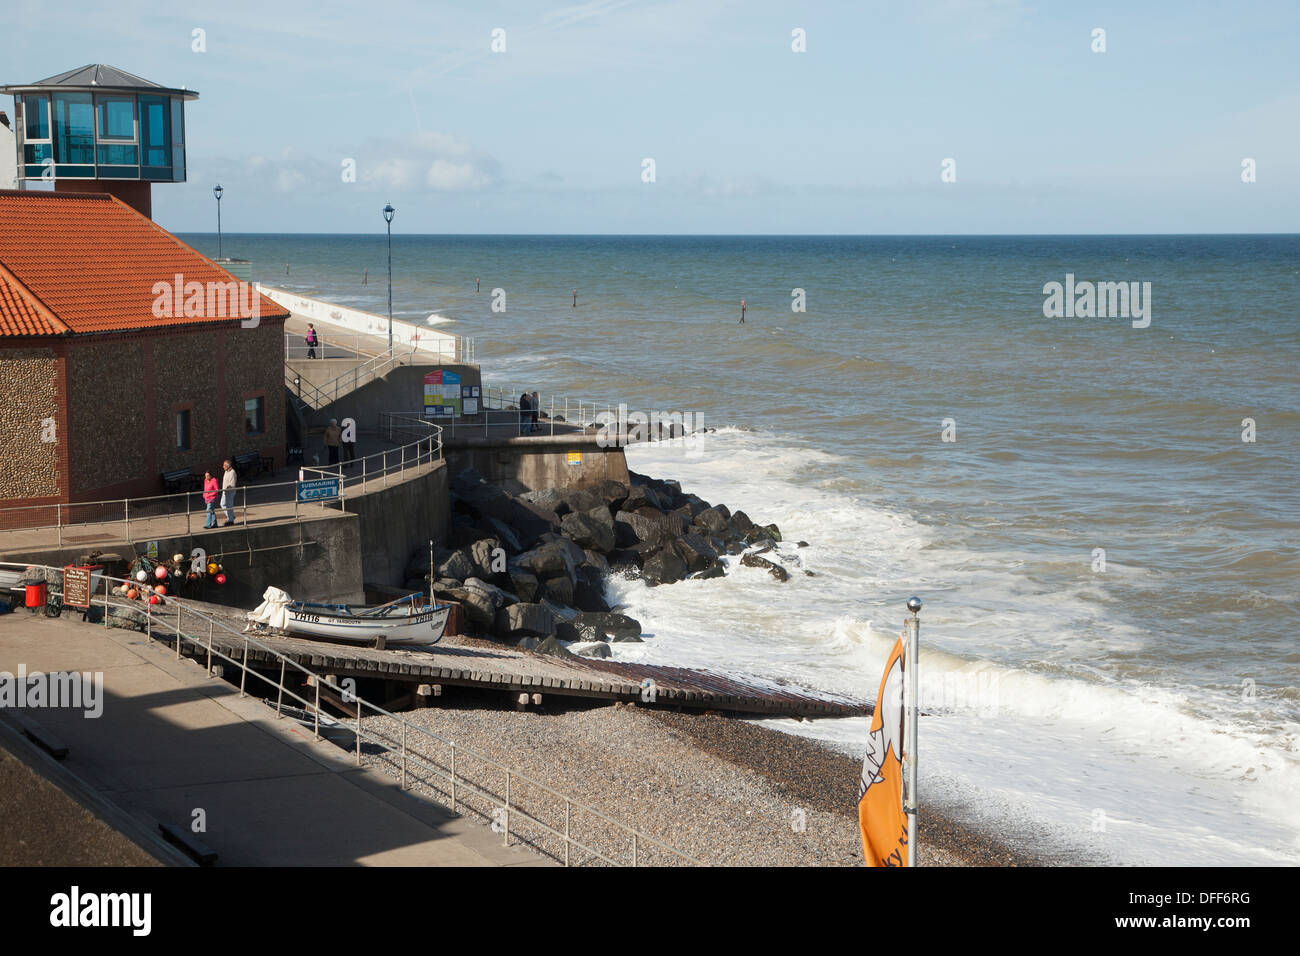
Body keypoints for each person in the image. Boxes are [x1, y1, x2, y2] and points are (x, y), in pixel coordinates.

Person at [220, 460, 237, 526]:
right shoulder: (226, 471)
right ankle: (231, 516)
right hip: (224, 491)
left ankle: (230, 520)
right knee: (222, 504)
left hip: (230, 492)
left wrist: (227, 489)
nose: (223, 466)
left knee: (229, 505)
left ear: (228, 466)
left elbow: (232, 484)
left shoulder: (232, 472)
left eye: (224, 465)